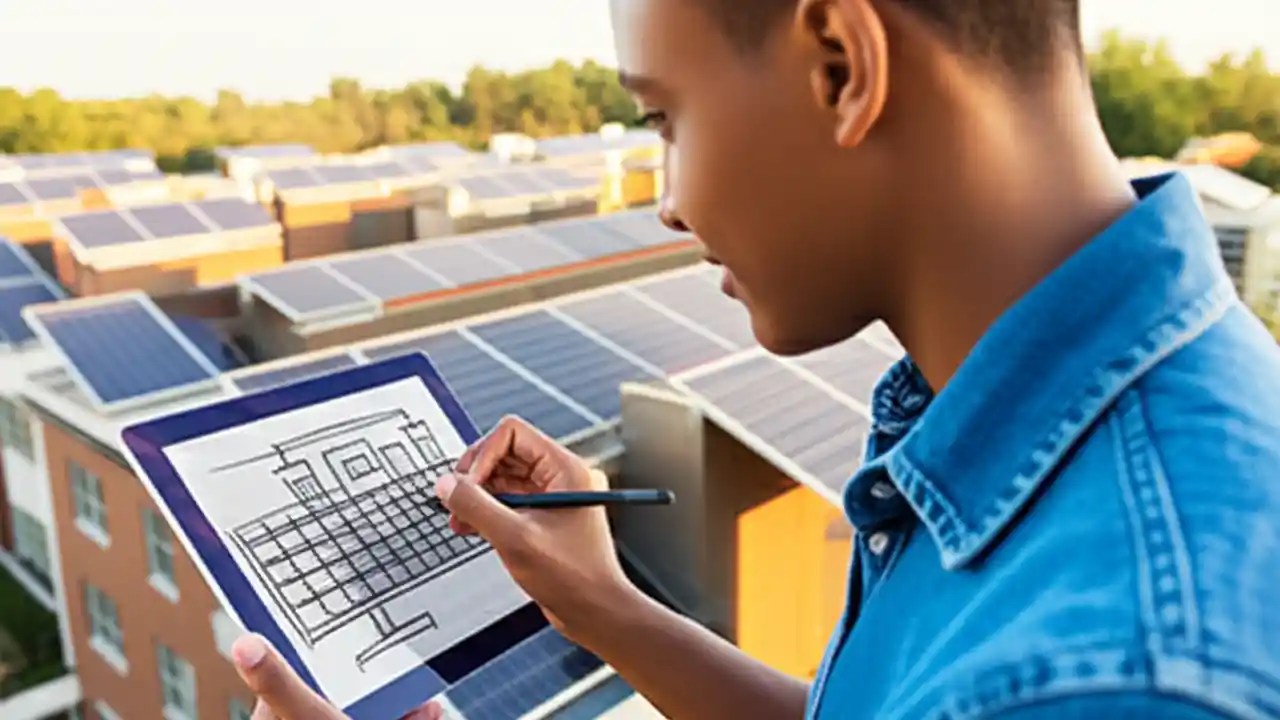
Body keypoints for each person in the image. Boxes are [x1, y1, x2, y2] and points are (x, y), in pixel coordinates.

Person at [231, 0, 1280, 717]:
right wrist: (605, 608)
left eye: (664, 118)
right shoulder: (1124, 402)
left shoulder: (1120, 675)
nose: (667, 200)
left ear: (840, 66)